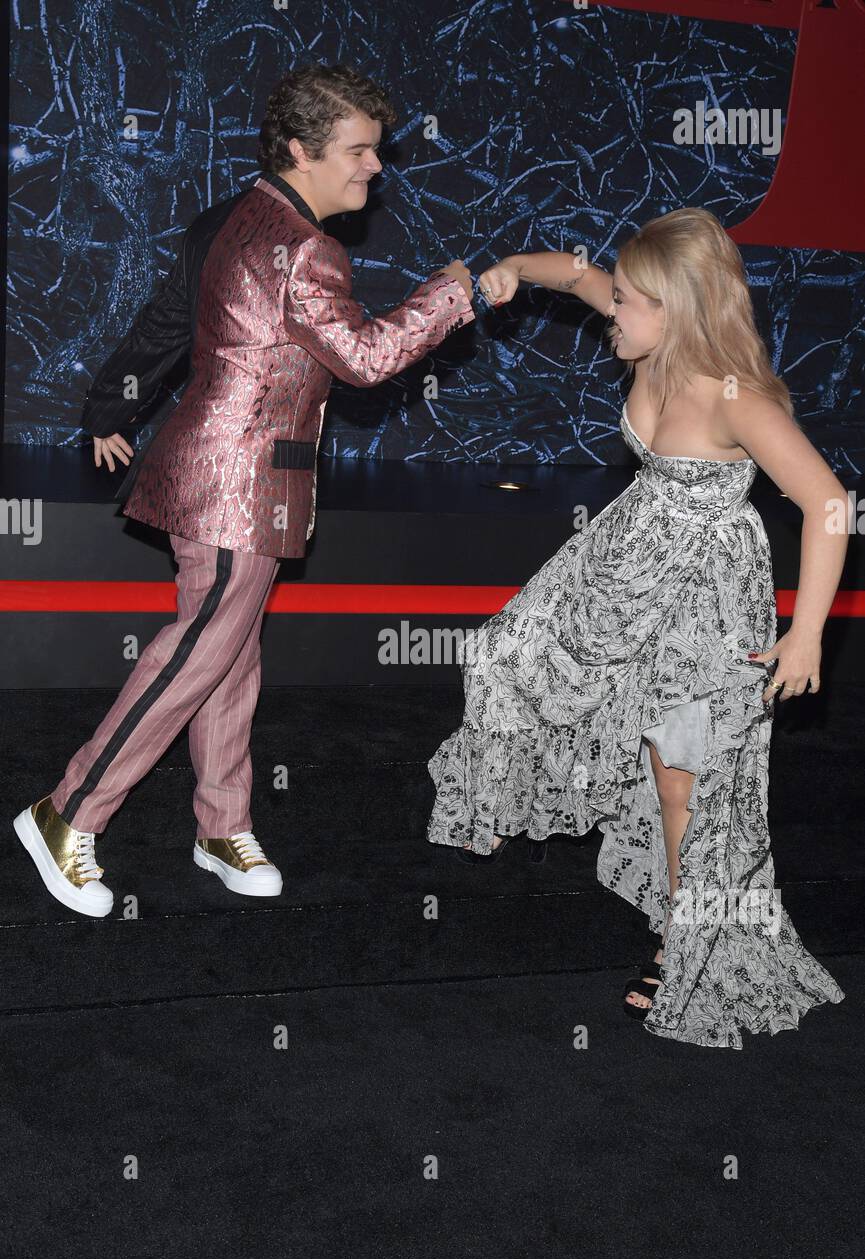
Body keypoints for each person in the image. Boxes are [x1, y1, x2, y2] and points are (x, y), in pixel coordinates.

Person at [14, 63, 474, 918]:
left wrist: (113, 401)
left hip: (226, 476)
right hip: (235, 483)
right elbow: (367, 359)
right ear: (301, 150)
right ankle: (67, 810)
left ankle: (222, 825)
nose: (375, 167)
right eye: (358, 150)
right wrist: (451, 295)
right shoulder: (304, 247)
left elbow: (182, 323)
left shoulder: (241, 214)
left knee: (229, 654)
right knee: (198, 651)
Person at [426, 207, 847, 1048]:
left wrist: (806, 635)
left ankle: (685, 945)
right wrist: (510, 270)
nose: (607, 311)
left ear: (674, 308)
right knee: (508, 652)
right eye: (614, 296)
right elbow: (573, 273)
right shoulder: (647, 344)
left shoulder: (733, 398)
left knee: (681, 781)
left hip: (705, 604)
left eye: (624, 302)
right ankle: (515, 803)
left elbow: (828, 503)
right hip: (624, 564)